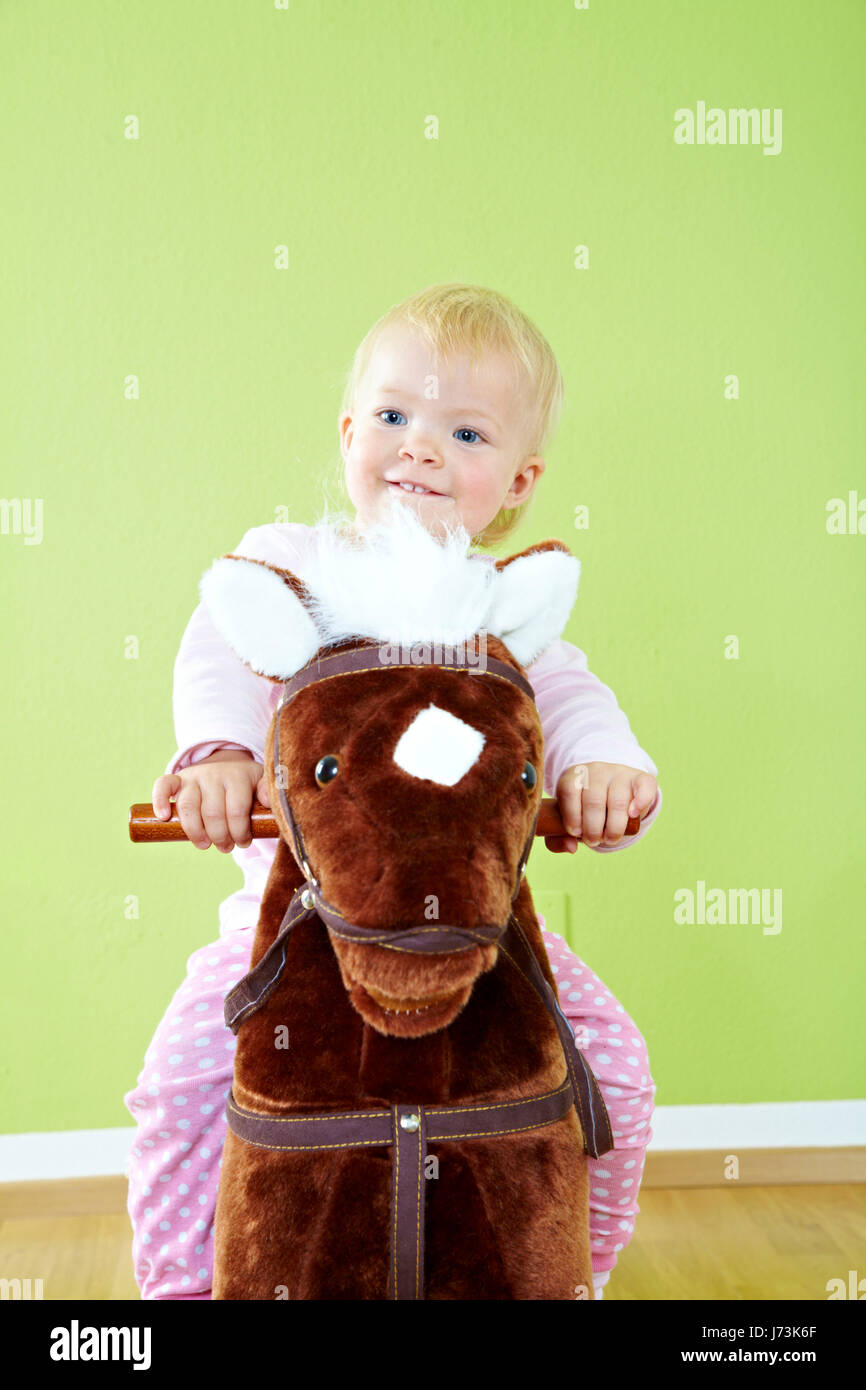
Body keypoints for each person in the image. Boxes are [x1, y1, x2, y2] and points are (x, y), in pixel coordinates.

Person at [123, 282, 663, 1300]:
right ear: (347, 433)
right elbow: (218, 655)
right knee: (178, 1083)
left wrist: (602, 772)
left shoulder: (501, 612)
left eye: (462, 430)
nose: (417, 446)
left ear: (515, 479)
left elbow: (574, 700)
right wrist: (216, 753)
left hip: (482, 939)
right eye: (391, 415)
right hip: (287, 934)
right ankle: (179, 1291)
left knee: (616, 1069)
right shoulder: (293, 565)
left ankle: (570, 1268)